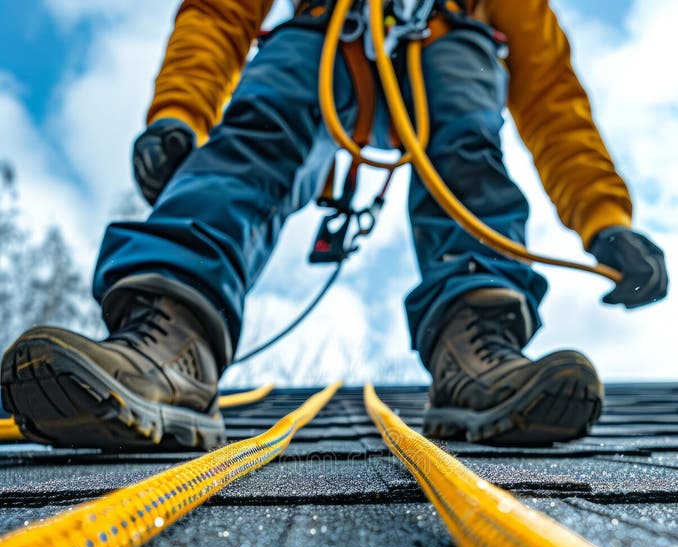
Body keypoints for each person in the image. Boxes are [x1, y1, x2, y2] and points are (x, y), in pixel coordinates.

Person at [1, 0, 668, 450]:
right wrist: (181, 111)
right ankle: (173, 338)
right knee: (266, 122)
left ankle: (477, 348)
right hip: (330, 35)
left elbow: (550, 91)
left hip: (448, 37)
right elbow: (221, 9)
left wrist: (604, 218)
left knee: (468, 141)